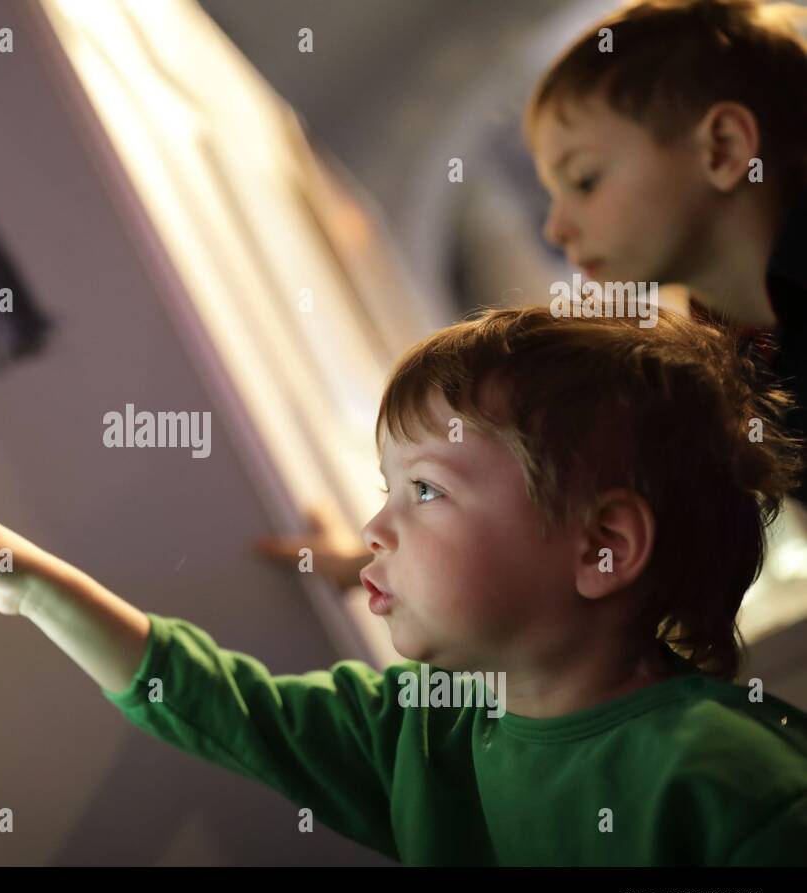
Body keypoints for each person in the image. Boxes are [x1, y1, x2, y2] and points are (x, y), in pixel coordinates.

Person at [0, 305, 807, 864]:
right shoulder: (424, 724)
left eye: (425, 492)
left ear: (602, 547)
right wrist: (36, 587)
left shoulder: (731, 782)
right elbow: (218, 703)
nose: (374, 529)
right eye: (385, 491)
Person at [260, 0, 807, 589]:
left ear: (723, 150)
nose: (556, 227)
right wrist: (384, 564)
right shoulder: (724, 362)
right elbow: (603, 514)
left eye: (585, 180)